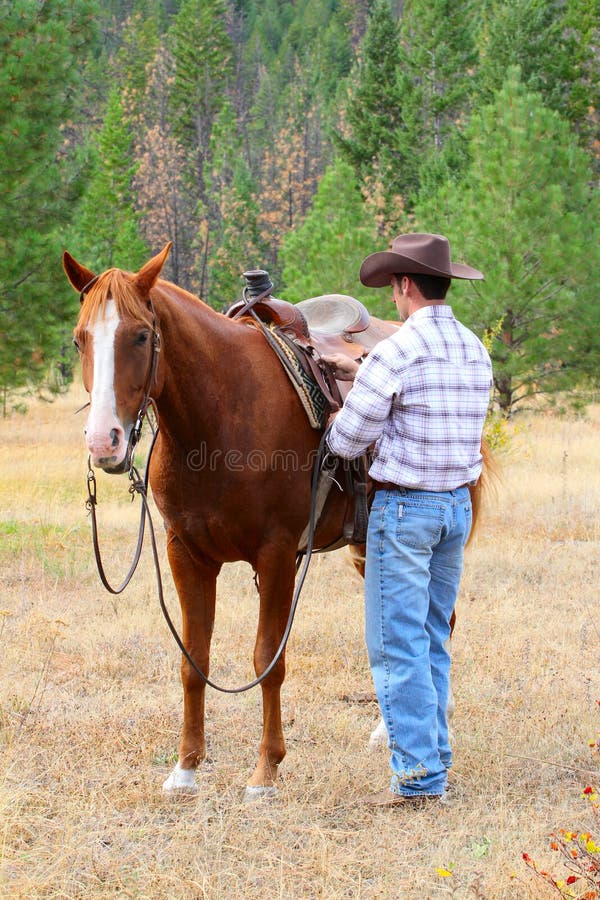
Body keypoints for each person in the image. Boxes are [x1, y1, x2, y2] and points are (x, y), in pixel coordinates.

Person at [324, 233, 493, 806]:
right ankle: (435, 758)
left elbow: (348, 439)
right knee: (430, 639)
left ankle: (419, 779)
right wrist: (360, 366)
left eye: (392, 289)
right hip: (455, 507)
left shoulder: (398, 353)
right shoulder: (473, 348)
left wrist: (341, 401)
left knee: (395, 645)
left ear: (403, 285)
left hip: (404, 510)